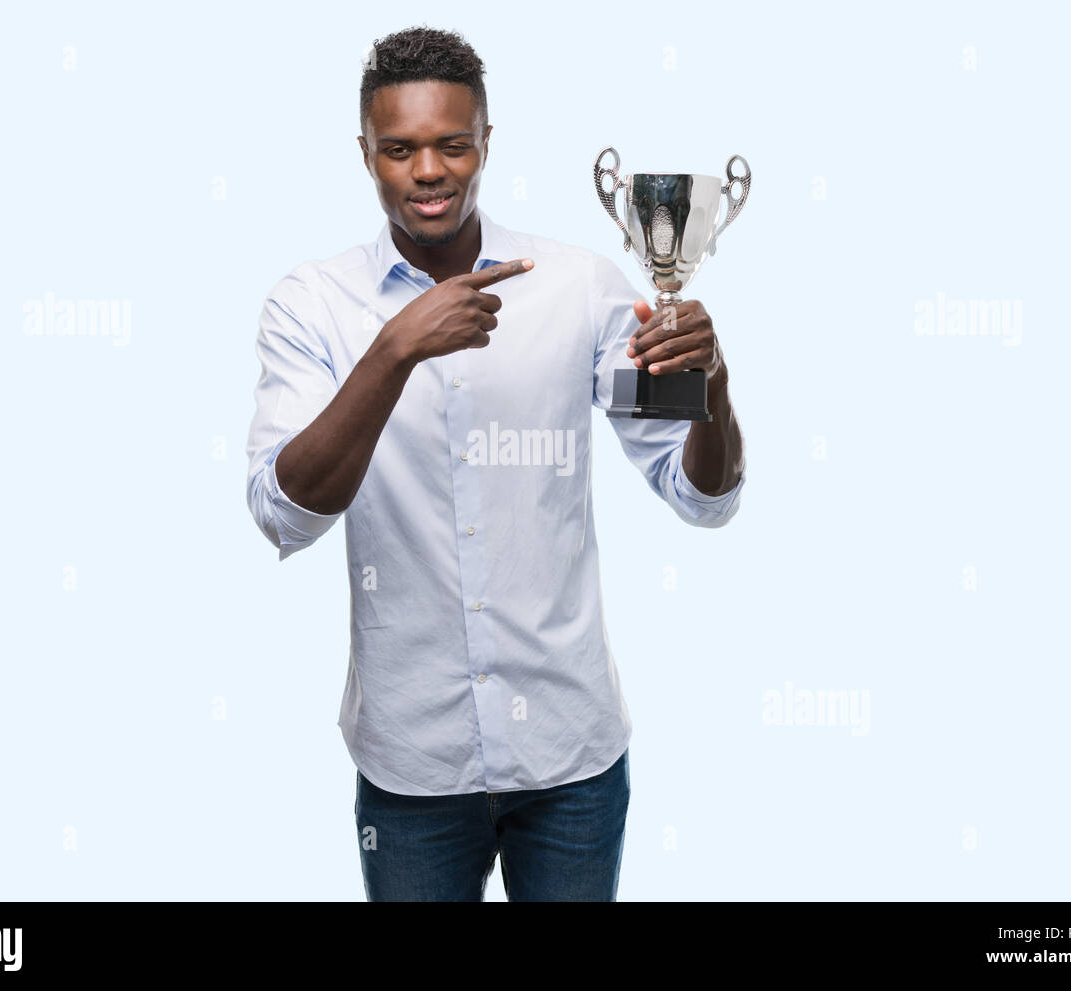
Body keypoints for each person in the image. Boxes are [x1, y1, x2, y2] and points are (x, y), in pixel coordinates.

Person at [245, 25, 746, 901]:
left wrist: (715, 385)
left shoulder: (577, 285)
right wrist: (395, 349)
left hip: (572, 759)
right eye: (399, 149)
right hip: (411, 767)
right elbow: (285, 511)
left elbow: (699, 495)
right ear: (365, 152)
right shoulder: (311, 304)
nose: (428, 171)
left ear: (486, 143)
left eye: (452, 144)